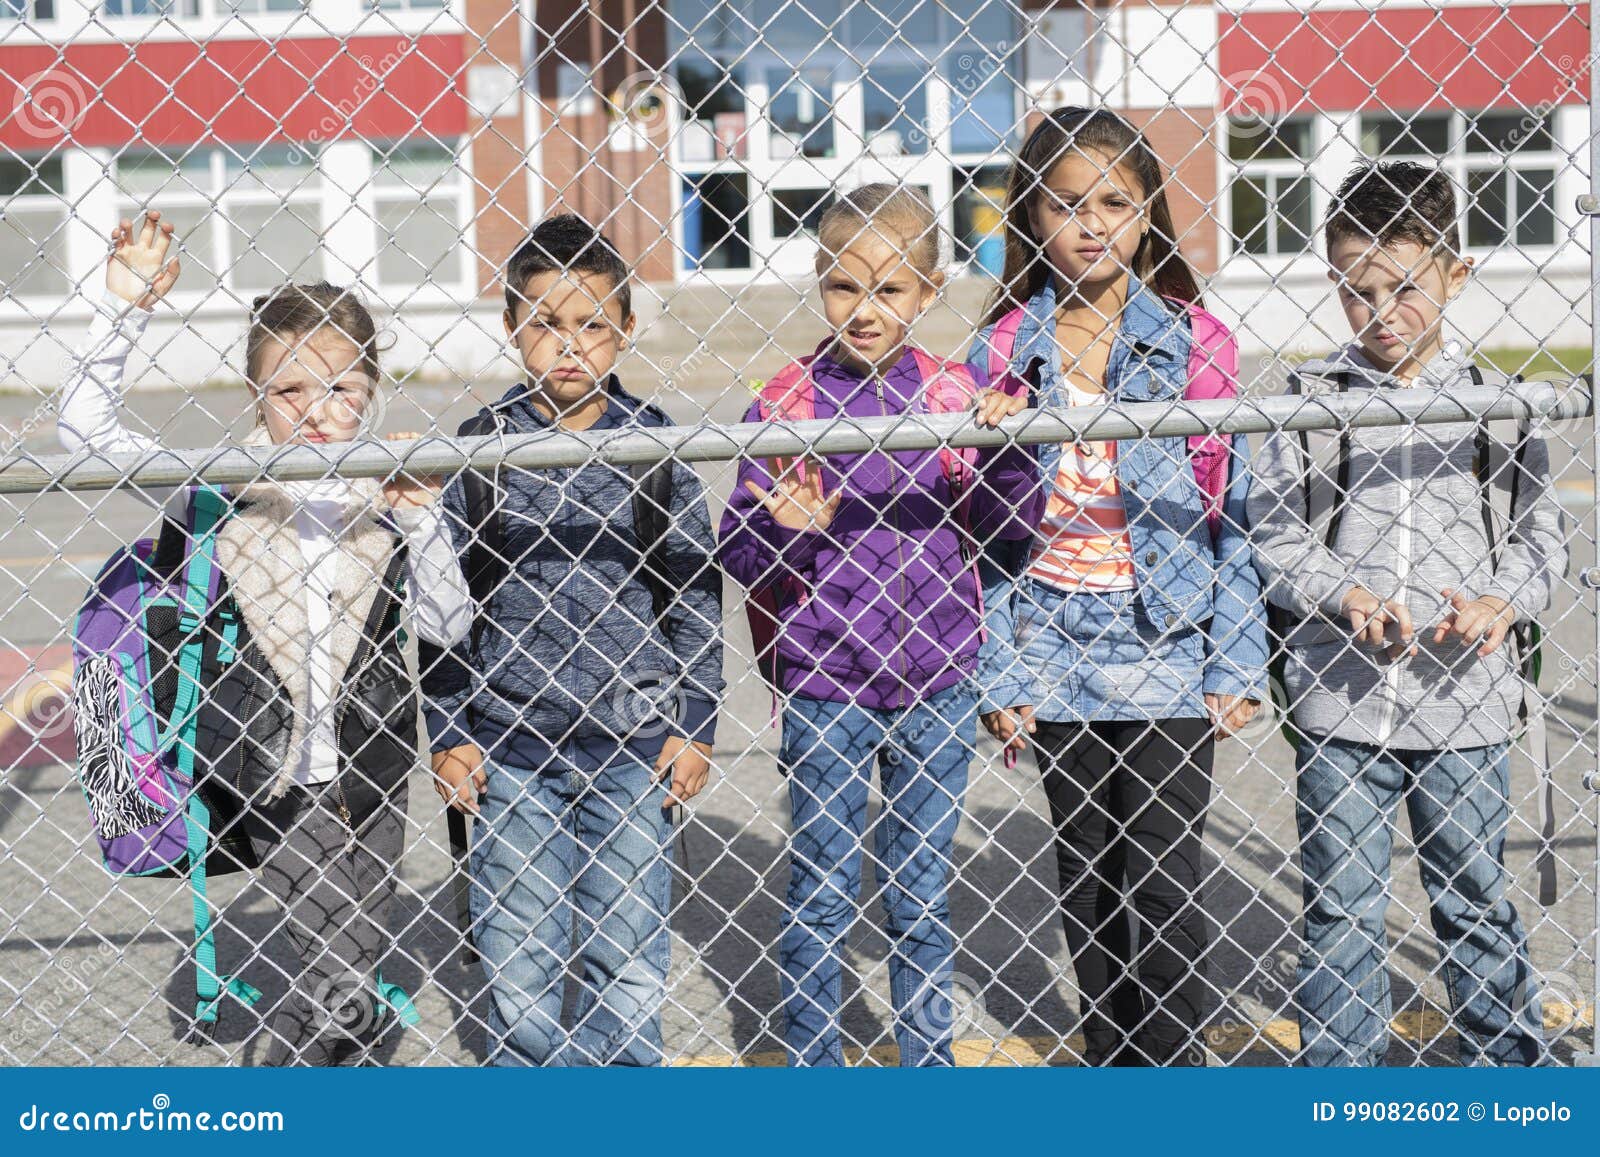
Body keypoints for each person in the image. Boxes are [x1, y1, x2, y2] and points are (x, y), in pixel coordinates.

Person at [58, 210, 472, 1065]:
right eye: (288, 390)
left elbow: (447, 625)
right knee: (338, 961)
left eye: (341, 388)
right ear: (255, 395)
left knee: (351, 962)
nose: (316, 412)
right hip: (273, 769)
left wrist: (421, 520)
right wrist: (124, 308)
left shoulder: (385, 493)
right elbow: (83, 435)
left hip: (374, 764)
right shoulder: (221, 491)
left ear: (372, 388)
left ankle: (284, 1072)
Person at [1248, 160, 1566, 1066]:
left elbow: (1544, 541)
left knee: (1472, 893)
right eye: (1358, 289)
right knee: (1341, 904)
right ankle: (1344, 1082)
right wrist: (1340, 591)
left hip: (1464, 705)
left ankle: (1508, 1070)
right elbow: (1272, 535)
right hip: (1339, 705)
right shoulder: (1309, 402)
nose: (1382, 311)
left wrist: (1504, 600)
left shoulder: (1500, 407)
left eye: (1405, 287)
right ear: (1332, 279)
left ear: (1455, 276)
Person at [969, 107, 1269, 1066]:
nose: (1091, 223)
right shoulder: (1000, 349)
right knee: (1088, 877)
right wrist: (1003, 672)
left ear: (1147, 216)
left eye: (1114, 202)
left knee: (1166, 883)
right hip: (1053, 639)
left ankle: (1170, 1075)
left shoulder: (1198, 341)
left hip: (1171, 640)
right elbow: (984, 540)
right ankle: (1112, 1063)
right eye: (1065, 204)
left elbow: (1233, 514)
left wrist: (1235, 656)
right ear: (1029, 217)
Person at [718, 183, 1042, 1066]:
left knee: (919, 892)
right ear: (817, 283)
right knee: (822, 886)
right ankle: (818, 1066)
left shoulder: (954, 392)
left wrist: (1012, 449)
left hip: (938, 677)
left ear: (929, 291)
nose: (863, 310)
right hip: (825, 680)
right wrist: (780, 535)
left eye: (890, 289)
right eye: (842, 286)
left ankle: (925, 1065)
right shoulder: (785, 404)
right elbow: (738, 554)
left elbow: (1009, 524)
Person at [423, 214, 724, 1066]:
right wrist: (449, 730)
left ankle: (623, 1082)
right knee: (518, 952)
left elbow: (691, 598)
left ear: (627, 328)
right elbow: (444, 609)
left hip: (632, 744)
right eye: (544, 323)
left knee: (625, 949)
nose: (569, 345)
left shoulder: (651, 447)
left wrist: (695, 719)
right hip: (509, 746)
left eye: (593, 324)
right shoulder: (482, 450)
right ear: (511, 328)